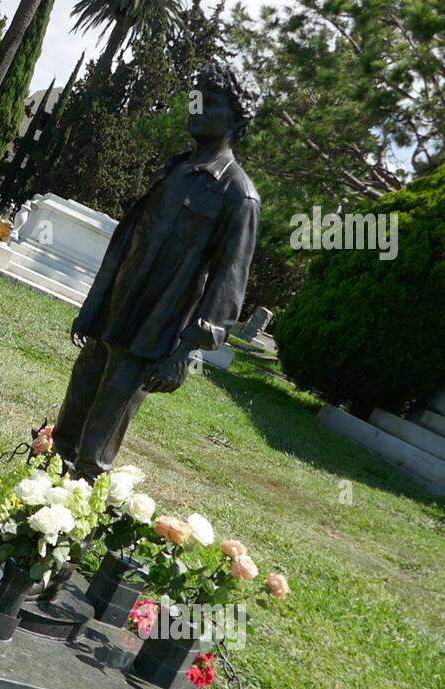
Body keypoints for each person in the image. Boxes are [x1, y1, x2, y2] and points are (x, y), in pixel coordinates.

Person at [52, 64, 262, 479]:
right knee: (67, 427)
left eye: (212, 102)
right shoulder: (173, 171)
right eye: (196, 96)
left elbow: (228, 283)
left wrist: (185, 351)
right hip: (111, 317)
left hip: (151, 335)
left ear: (237, 119)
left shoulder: (239, 195)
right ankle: (24, 520)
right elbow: (126, 245)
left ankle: (64, 536)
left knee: (95, 450)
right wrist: (94, 307)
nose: (197, 106)